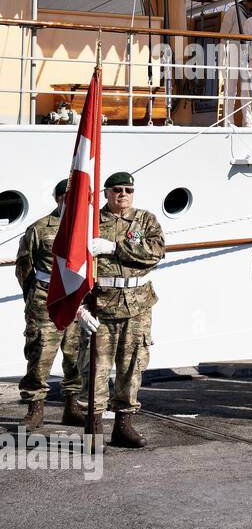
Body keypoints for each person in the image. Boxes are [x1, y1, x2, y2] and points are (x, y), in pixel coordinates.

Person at [85, 171, 166, 447]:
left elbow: (154, 253)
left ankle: (123, 426)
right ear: (106, 193)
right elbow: (75, 264)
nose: (123, 194)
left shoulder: (145, 219)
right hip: (101, 304)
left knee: (132, 367)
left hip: (138, 303)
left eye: (128, 190)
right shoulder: (91, 222)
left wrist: (114, 248)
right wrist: (79, 308)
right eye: (117, 189)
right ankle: (94, 430)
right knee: (98, 368)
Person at [15, 178, 85, 430]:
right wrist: (33, 294)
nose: (71, 202)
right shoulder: (40, 228)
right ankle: (35, 409)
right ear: (58, 199)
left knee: (74, 355)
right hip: (44, 299)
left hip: (77, 300)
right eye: (66, 197)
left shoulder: (88, 228)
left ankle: (72, 407)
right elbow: (24, 266)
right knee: (40, 353)